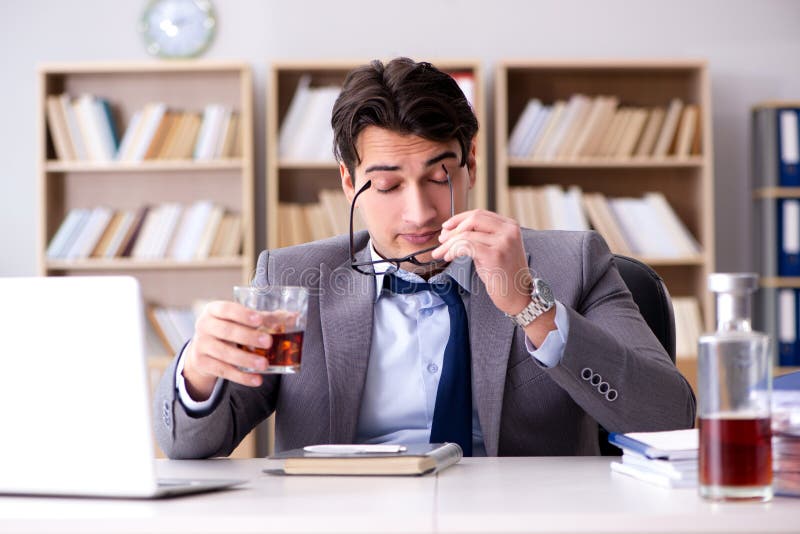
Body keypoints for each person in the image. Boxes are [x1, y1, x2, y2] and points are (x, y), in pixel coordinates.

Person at [154, 57, 695, 459]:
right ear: (349, 182)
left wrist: (533, 307)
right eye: (386, 185)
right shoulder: (295, 279)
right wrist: (199, 373)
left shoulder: (571, 262)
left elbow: (671, 418)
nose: (419, 213)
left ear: (470, 166)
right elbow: (187, 446)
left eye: (440, 177)